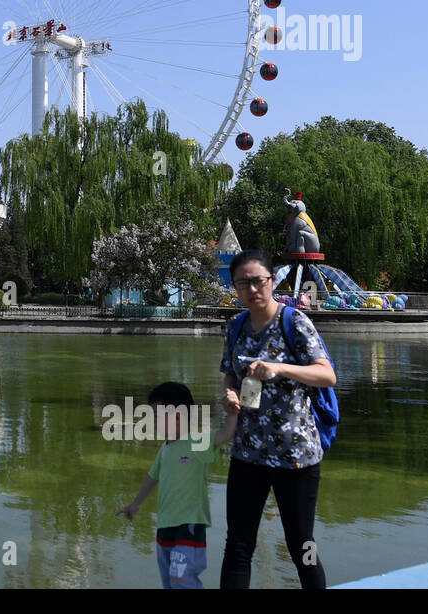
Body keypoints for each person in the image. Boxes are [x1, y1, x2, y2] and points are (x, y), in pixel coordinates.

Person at [219, 249, 336, 589]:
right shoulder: (235, 326)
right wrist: (229, 394)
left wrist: (279, 368)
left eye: (259, 281)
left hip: (295, 455)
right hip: (247, 452)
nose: (252, 289)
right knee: (238, 544)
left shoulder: (294, 321)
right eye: (243, 283)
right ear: (235, 287)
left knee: (302, 545)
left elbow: (327, 375)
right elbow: (230, 373)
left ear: (272, 281)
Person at [116, 382, 239, 588]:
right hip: (165, 526)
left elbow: (225, 435)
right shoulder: (165, 448)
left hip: (188, 525)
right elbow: (152, 477)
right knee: (170, 582)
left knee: (183, 580)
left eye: (157, 416)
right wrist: (135, 504)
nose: (153, 421)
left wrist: (233, 414)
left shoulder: (197, 441)